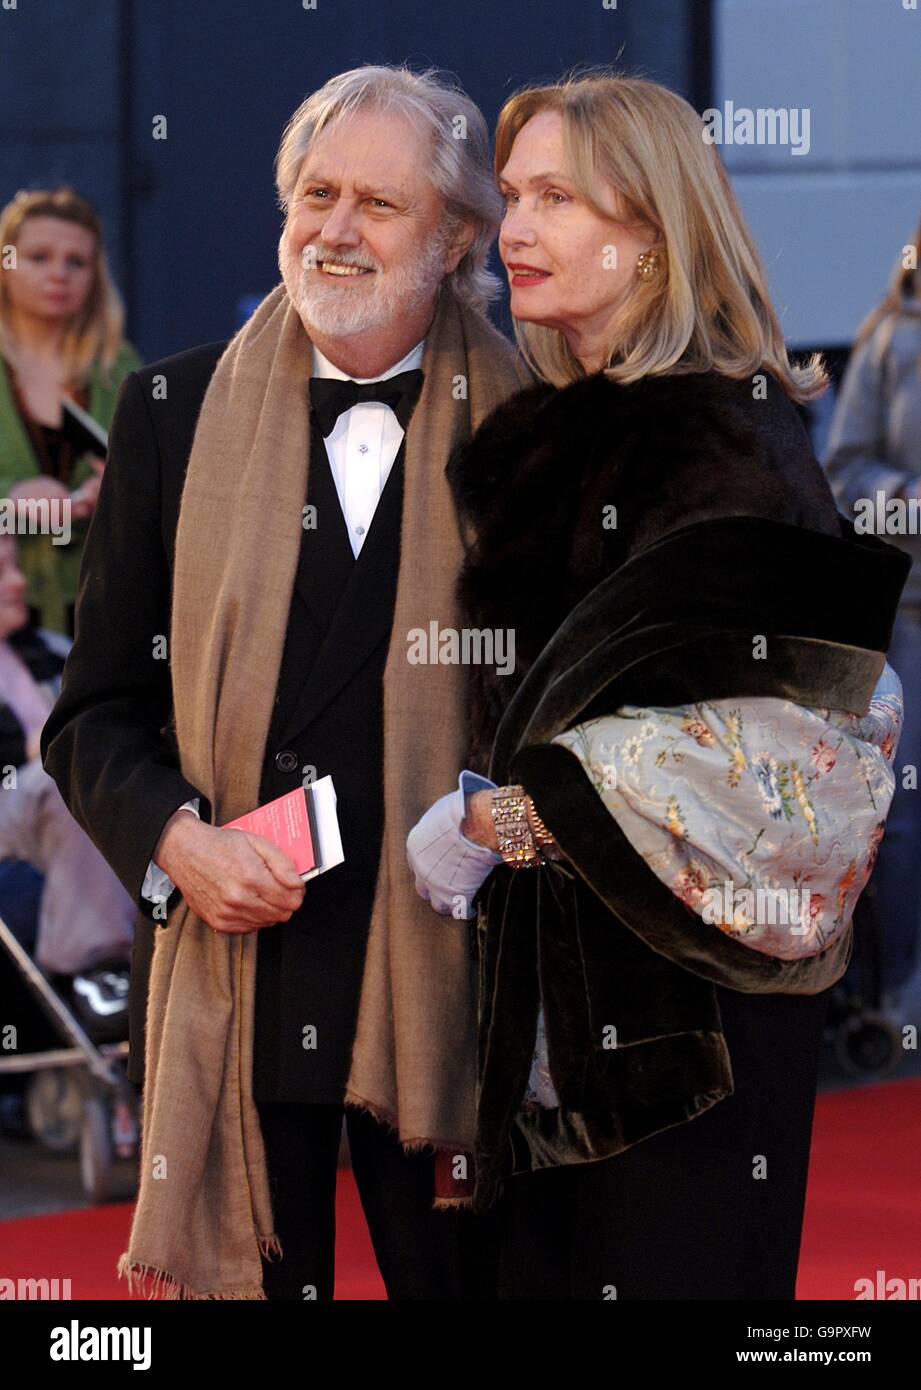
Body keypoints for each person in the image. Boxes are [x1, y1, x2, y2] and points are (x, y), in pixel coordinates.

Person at [407, 71, 910, 1300]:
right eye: (512, 196)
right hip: (555, 1010)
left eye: (556, 198)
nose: (513, 229)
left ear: (651, 235)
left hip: (691, 1020)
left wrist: (500, 821)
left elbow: (790, 756)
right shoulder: (560, 429)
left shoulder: (723, 436)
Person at [41, 64, 531, 1301]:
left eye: (379, 203)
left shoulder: (539, 426)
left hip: (449, 991)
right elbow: (92, 712)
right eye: (317, 194)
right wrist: (174, 839)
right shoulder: (171, 408)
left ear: (461, 234)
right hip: (234, 979)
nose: (335, 230)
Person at [0, 532, 135, 1135]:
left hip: (69, 817)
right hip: (15, 810)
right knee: (67, 776)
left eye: (15, 567)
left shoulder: (53, 651)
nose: (19, 581)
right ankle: (99, 971)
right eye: (1, 571)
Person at [823, 218, 921, 1022]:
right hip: (913, 615)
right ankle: (896, 996)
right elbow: (842, 474)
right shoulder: (891, 340)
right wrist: (909, 500)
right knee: (904, 809)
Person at [0, 187, 141, 635]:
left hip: (100, 611)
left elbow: (161, 479)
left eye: (76, 262)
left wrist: (118, 490)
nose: (59, 273)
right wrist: (12, 496)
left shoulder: (118, 366)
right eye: (39, 257)